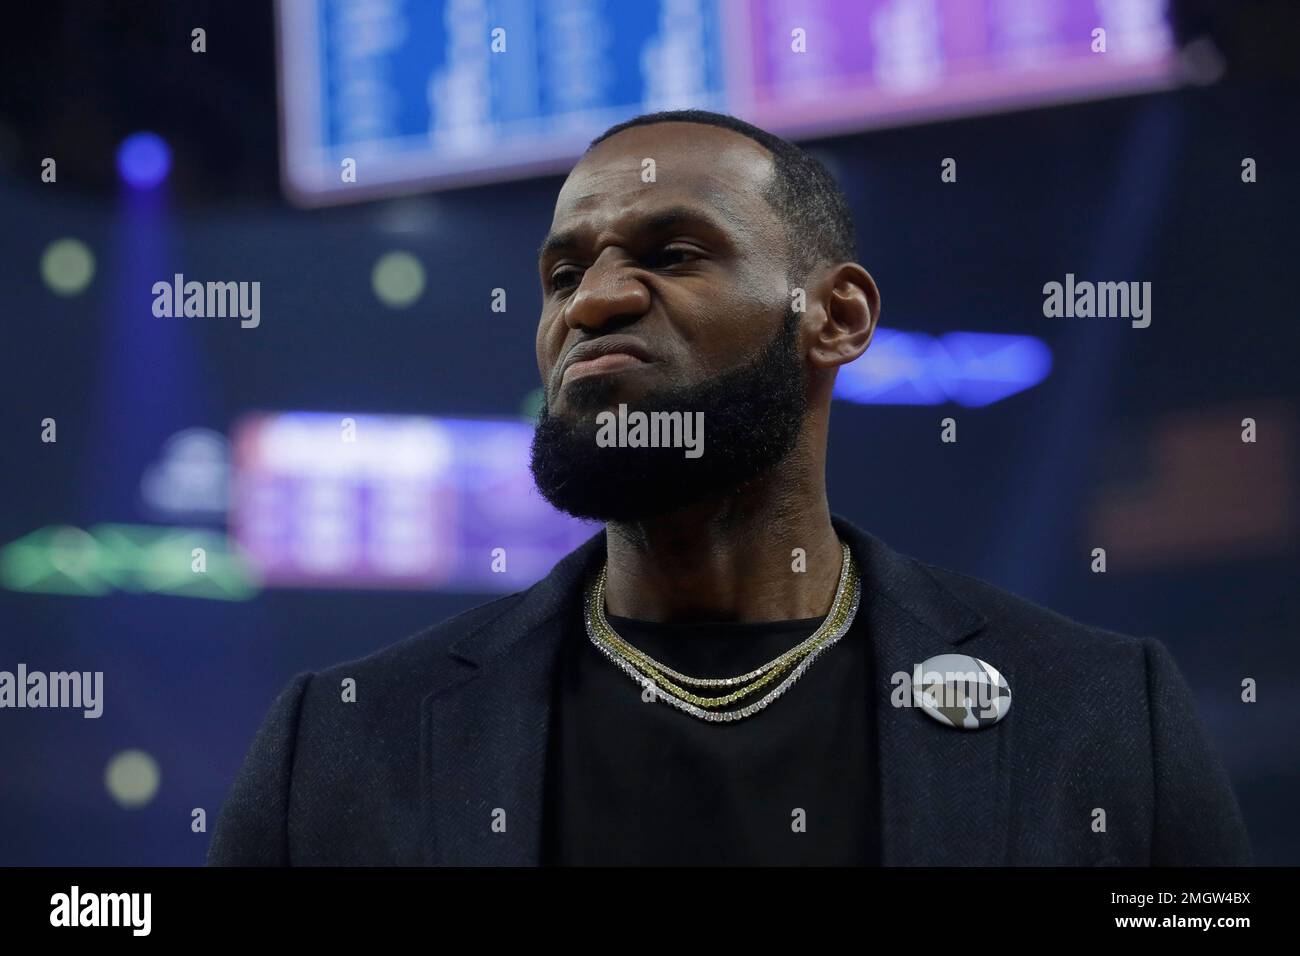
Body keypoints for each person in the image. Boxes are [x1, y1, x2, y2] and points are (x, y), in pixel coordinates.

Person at [207, 110, 1250, 866]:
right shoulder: (343, 742)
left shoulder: (1101, 716)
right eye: (564, 275)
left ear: (834, 316)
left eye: (673, 252)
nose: (597, 301)